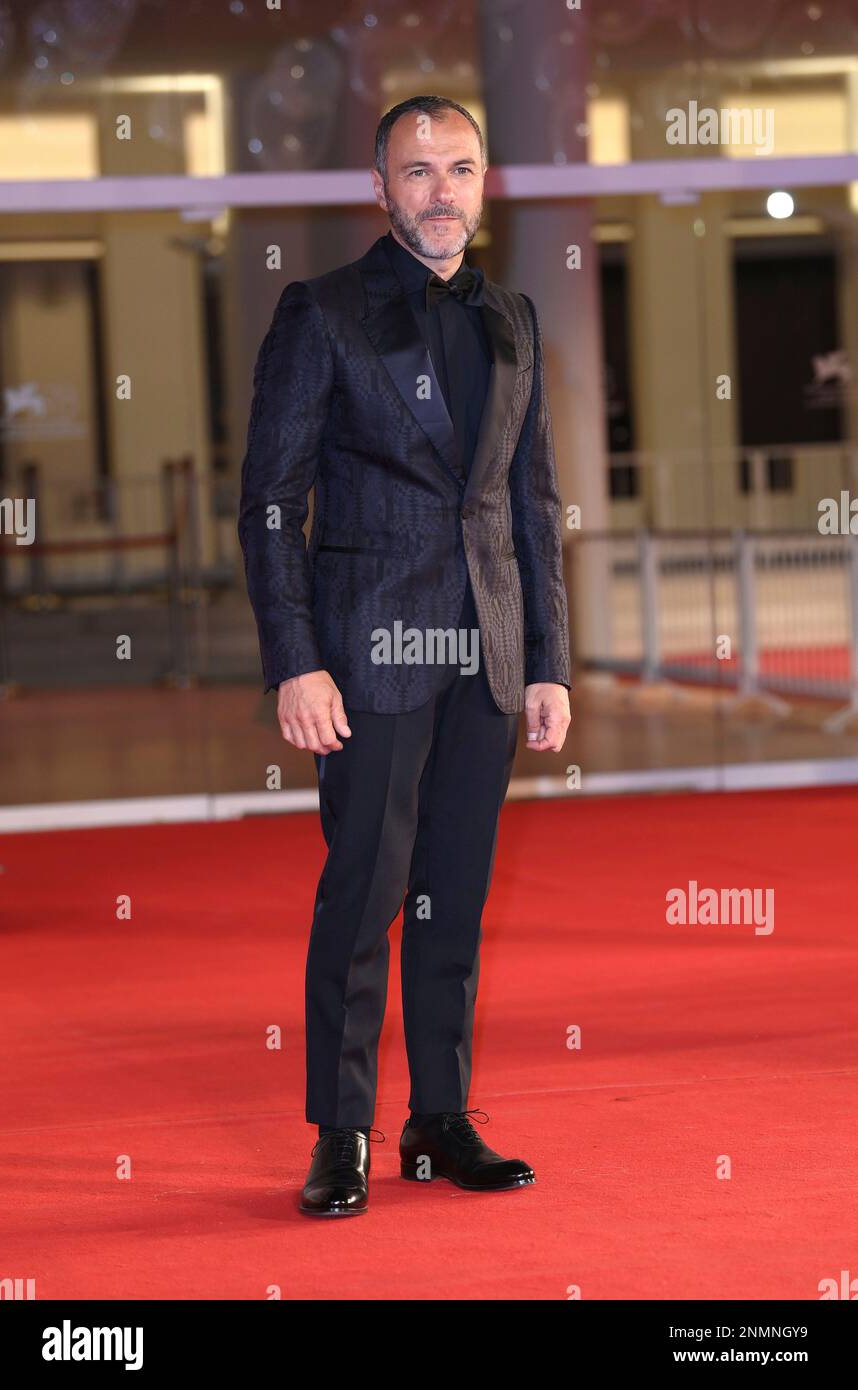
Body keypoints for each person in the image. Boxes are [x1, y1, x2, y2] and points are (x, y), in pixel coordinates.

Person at [239, 95, 571, 1217]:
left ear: (486, 184)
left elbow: (530, 505)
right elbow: (271, 504)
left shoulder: (513, 316)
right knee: (364, 896)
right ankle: (341, 1132)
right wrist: (294, 659)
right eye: (416, 170)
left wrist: (548, 662)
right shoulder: (321, 312)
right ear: (378, 189)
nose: (440, 191)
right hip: (367, 652)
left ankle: (438, 1119)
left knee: (453, 897)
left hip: (484, 652)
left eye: (460, 168)